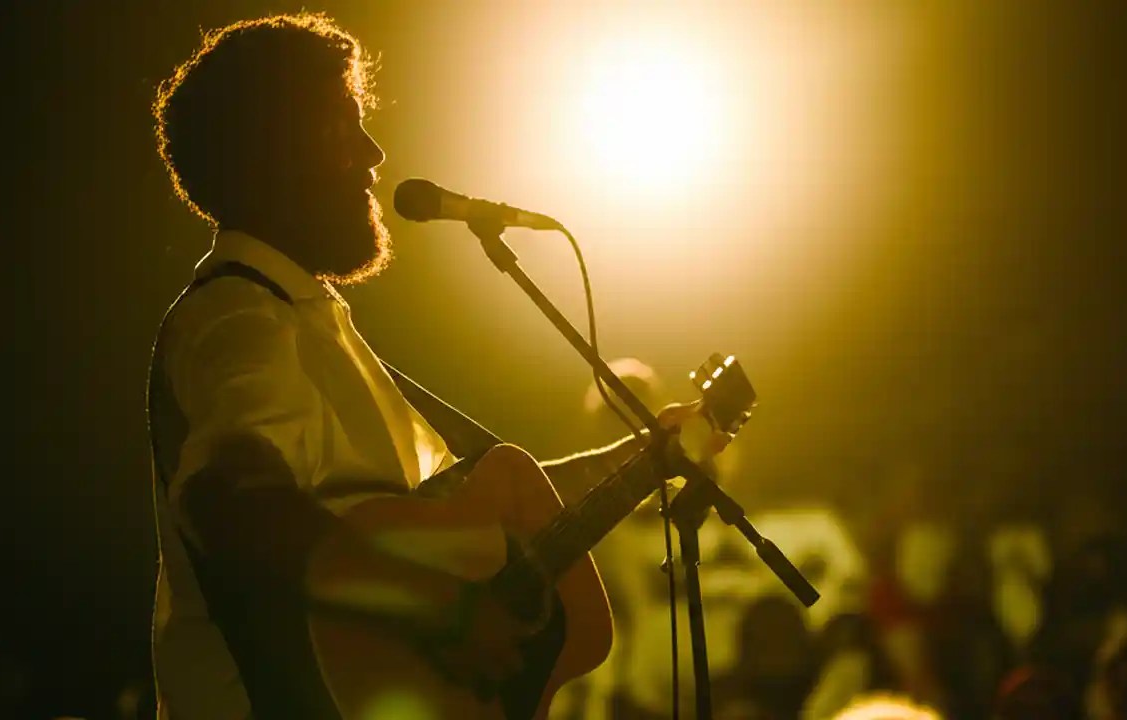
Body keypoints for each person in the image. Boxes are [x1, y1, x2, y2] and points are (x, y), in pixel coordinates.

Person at [147, 13, 720, 719]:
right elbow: (226, 500)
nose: (372, 153)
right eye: (343, 122)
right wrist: (436, 609)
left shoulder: (307, 321)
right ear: (279, 149)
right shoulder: (241, 319)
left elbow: (493, 528)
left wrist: (646, 456)